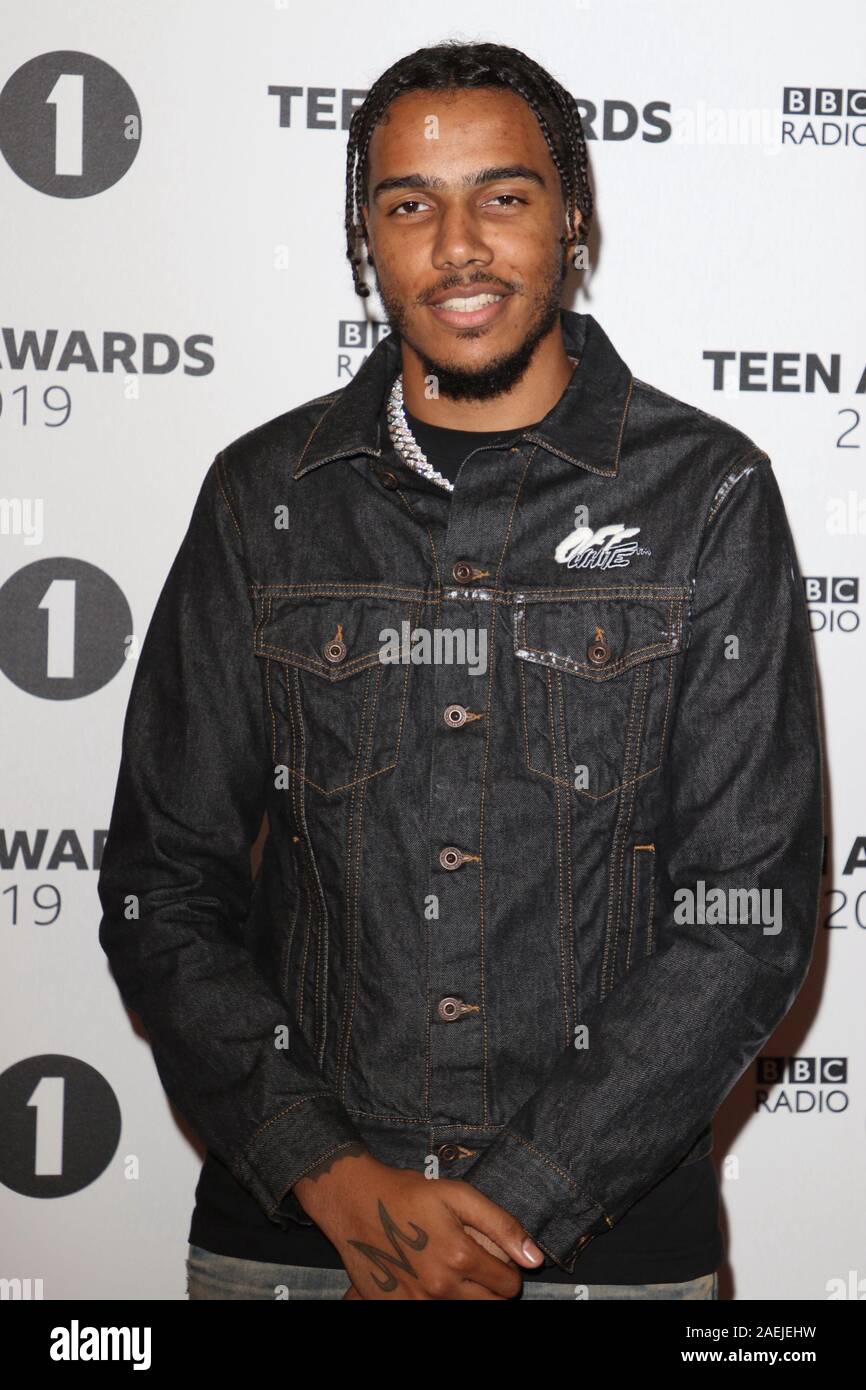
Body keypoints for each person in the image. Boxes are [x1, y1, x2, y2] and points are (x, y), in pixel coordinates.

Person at [97, 40, 823, 1301]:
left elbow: (746, 909)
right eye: (407, 205)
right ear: (361, 240)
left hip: (604, 1248)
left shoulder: (704, 493)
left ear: (573, 219)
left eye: (502, 196)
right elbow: (163, 882)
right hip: (302, 1244)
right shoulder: (263, 500)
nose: (457, 246)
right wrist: (329, 1173)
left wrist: (516, 1203)